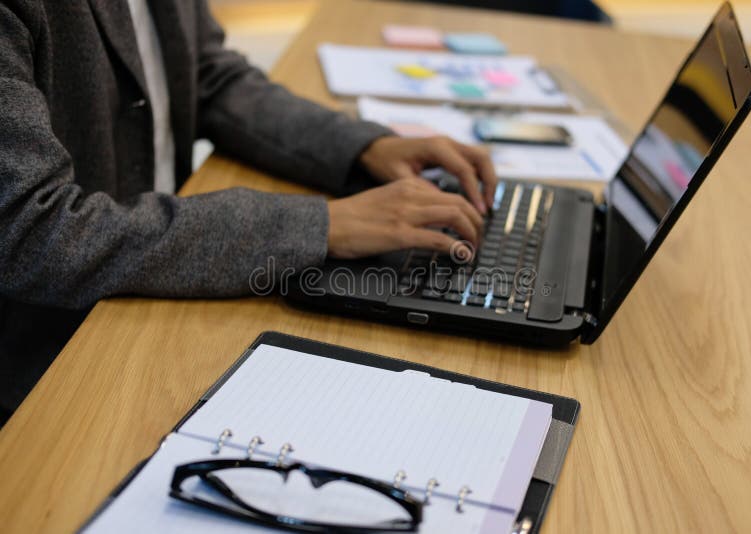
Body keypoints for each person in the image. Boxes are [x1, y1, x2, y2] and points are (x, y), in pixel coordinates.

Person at [0, 0, 496, 421]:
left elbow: (210, 76)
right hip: (49, 369)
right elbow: (35, 232)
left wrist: (364, 146)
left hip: (144, 312)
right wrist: (320, 223)